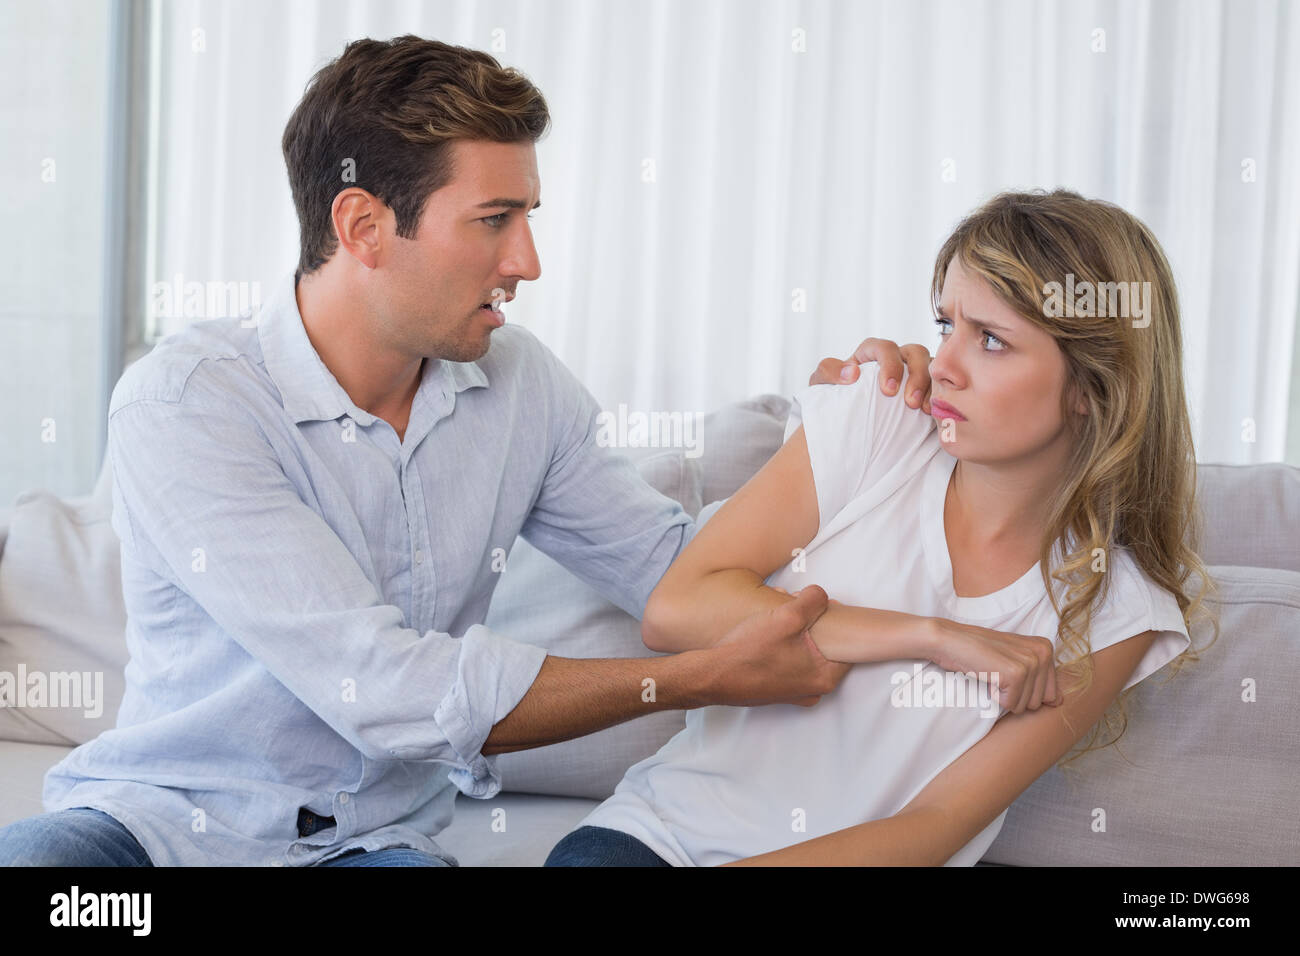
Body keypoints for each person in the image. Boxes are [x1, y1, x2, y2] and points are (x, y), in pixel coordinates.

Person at [0, 36, 941, 868]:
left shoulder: (519, 385)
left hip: (369, 843)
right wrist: (693, 681)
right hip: (157, 828)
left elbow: (673, 574)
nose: (528, 260)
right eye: (494, 219)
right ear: (363, 227)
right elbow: (382, 685)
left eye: (529, 215)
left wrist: (840, 431)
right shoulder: (188, 402)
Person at [546, 188, 1221, 867]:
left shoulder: (1115, 609)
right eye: (946, 325)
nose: (947, 366)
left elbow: (936, 823)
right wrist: (933, 637)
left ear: (1092, 387)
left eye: (990, 339)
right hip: (653, 843)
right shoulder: (879, 419)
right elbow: (675, 609)